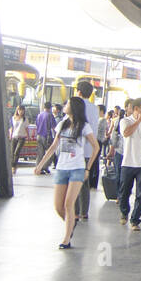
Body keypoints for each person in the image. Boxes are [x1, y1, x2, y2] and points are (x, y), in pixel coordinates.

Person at [33, 96, 98, 249]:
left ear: (74, 107)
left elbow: (96, 147)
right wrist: (40, 165)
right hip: (61, 168)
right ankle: (71, 224)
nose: (65, 105)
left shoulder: (84, 126)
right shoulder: (62, 124)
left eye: (67, 103)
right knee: (58, 207)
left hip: (77, 168)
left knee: (69, 204)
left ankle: (66, 238)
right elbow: (53, 146)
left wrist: (88, 168)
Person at [116, 98, 141, 230]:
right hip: (128, 163)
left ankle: (135, 220)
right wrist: (138, 122)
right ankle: (124, 211)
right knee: (124, 192)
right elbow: (126, 133)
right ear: (136, 109)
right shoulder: (125, 121)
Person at [73, 80, 101, 222]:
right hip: (90, 150)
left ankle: (76, 212)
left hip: (77, 149)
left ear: (78, 92)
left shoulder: (76, 106)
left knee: (74, 182)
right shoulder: (95, 108)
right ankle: (84, 212)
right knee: (85, 182)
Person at [34, 102, 56, 173]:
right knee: (50, 153)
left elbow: (36, 124)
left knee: (40, 153)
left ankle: (38, 168)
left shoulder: (39, 115)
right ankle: (45, 166)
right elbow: (54, 127)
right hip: (46, 136)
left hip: (39, 135)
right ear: (50, 108)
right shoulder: (50, 115)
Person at [9, 105, 29, 172]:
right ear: (17, 110)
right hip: (14, 137)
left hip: (21, 137)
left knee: (16, 152)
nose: (21, 112)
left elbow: (26, 128)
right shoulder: (13, 118)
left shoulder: (25, 119)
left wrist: (28, 137)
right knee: (12, 152)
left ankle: (14, 167)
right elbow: (11, 128)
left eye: (22, 110)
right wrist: (10, 135)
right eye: (20, 110)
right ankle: (12, 166)